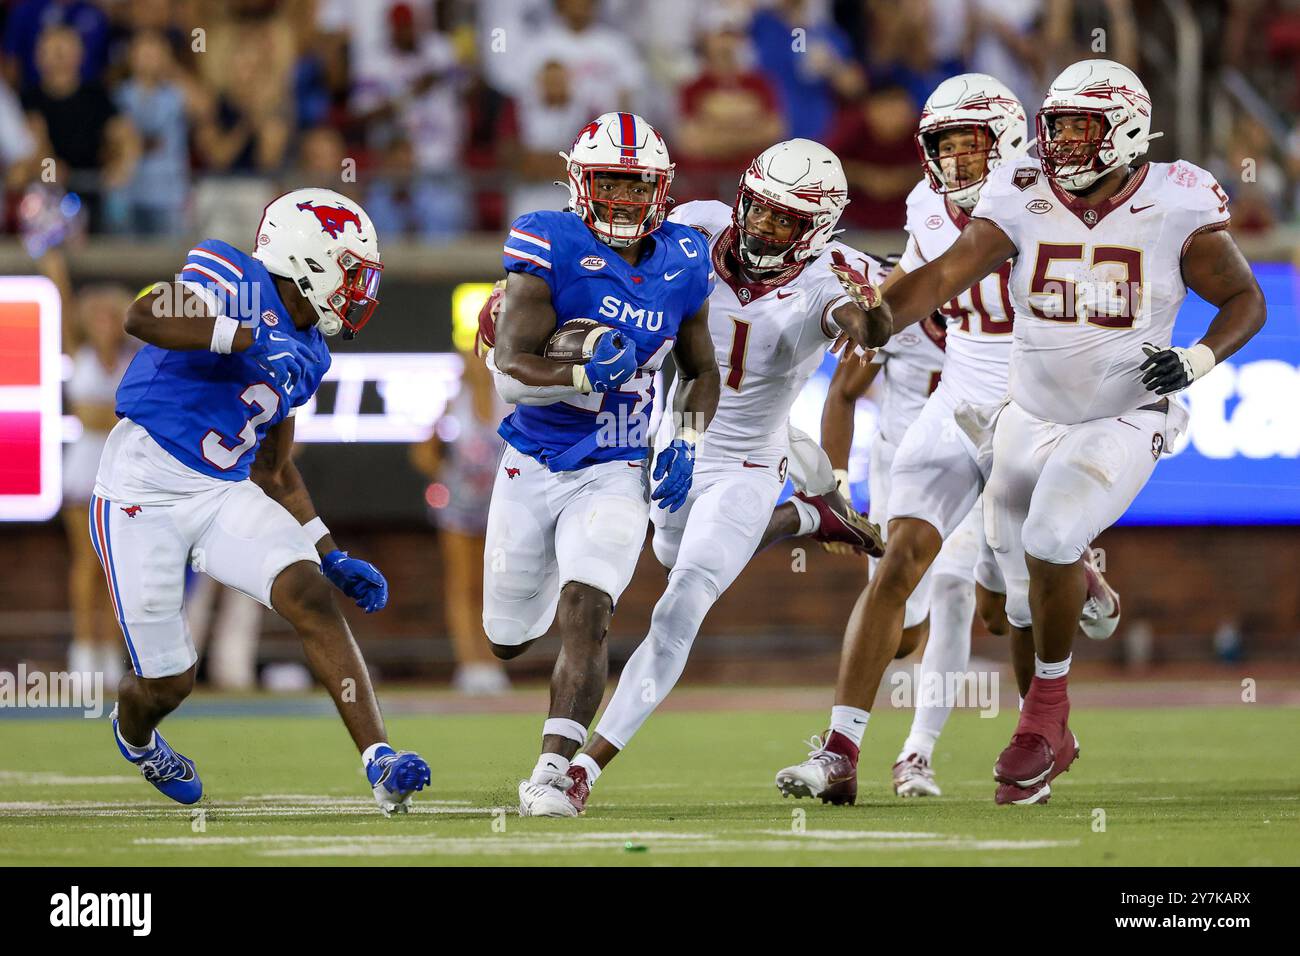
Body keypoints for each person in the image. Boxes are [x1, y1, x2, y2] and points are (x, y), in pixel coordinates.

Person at [797, 59, 1267, 807]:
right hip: (991, 408)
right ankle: (847, 747)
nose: (1066, 143)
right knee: (929, 572)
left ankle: (1043, 716)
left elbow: (1243, 295)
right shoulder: (1005, 194)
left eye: (1084, 127)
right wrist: (878, 315)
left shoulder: (1164, 198)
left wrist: (1198, 357)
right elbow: (944, 275)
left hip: (1088, 410)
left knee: (1023, 580)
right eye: (1060, 126)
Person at [775, 72, 1124, 805]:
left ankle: (1040, 732)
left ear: (1006, 142)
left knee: (1015, 609)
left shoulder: (1052, 195)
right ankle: (841, 750)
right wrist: (867, 315)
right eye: (945, 147)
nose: (958, 163)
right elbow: (913, 276)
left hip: (1035, 402)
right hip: (958, 395)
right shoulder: (928, 202)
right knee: (898, 561)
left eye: (972, 146)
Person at [557, 139, 892, 814]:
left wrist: (870, 320)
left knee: (681, 602)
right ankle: (807, 514)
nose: (764, 230)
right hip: (673, 437)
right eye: (759, 212)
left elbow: (858, 320)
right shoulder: (701, 224)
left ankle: (586, 767)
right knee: (668, 550)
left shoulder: (828, 277)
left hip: (746, 461)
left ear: (818, 231)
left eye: (785, 222)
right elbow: (618, 260)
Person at [92, 187, 431, 814]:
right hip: (142, 487)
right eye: (351, 274)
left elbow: (275, 468)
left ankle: (380, 763)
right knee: (167, 683)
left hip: (221, 491)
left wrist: (328, 550)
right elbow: (142, 315)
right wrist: (241, 337)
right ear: (308, 259)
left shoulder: (311, 352)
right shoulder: (232, 274)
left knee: (309, 593)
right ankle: (136, 738)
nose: (360, 291)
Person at [482, 112, 719, 817]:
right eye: (608, 182)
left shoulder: (684, 258)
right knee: (505, 639)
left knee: (588, 608)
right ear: (578, 184)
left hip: (615, 466)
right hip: (531, 462)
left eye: (634, 185)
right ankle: (549, 572)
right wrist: (583, 374)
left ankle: (553, 773)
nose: (620, 199)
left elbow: (701, 369)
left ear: (662, 189)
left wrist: (683, 436)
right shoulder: (548, 241)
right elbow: (509, 371)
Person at [409, 284, 511, 695]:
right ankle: (469, 663)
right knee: (462, 584)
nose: (475, 363)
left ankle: (493, 662)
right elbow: (423, 453)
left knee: (497, 584)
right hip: (460, 506)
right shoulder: (454, 401)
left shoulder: (510, 398)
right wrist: (446, 477)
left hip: (501, 504)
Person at [62, 283, 136, 684]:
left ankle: (110, 652)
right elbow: (92, 416)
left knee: (115, 567)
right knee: (86, 564)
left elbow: (130, 415)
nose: (104, 325)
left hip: (122, 475)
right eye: (98, 317)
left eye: (111, 317)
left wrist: (104, 416)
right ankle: (83, 652)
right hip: (83, 472)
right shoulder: (79, 354)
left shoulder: (135, 360)